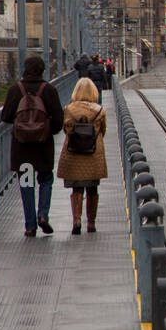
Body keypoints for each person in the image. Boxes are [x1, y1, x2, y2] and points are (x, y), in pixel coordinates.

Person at [1, 54, 65, 238]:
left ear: (25, 69)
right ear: (42, 70)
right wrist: (44, 131)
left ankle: (30, 226)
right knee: (45, 180)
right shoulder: (48, 90)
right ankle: (43, 215)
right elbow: (59, 120)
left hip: (22, 148)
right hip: (43, 146)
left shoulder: (15, 90)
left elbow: (5, 117)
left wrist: (22, 128)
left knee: (26, 183)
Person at [57, 77, 108, 234]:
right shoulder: (100, 111)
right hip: (93, 154)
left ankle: (77, 220)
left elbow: (66, 130)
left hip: (74, 154)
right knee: (92, 189)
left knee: (77, 188)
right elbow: (103, 131)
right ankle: (91, 223)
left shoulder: (69, 109)